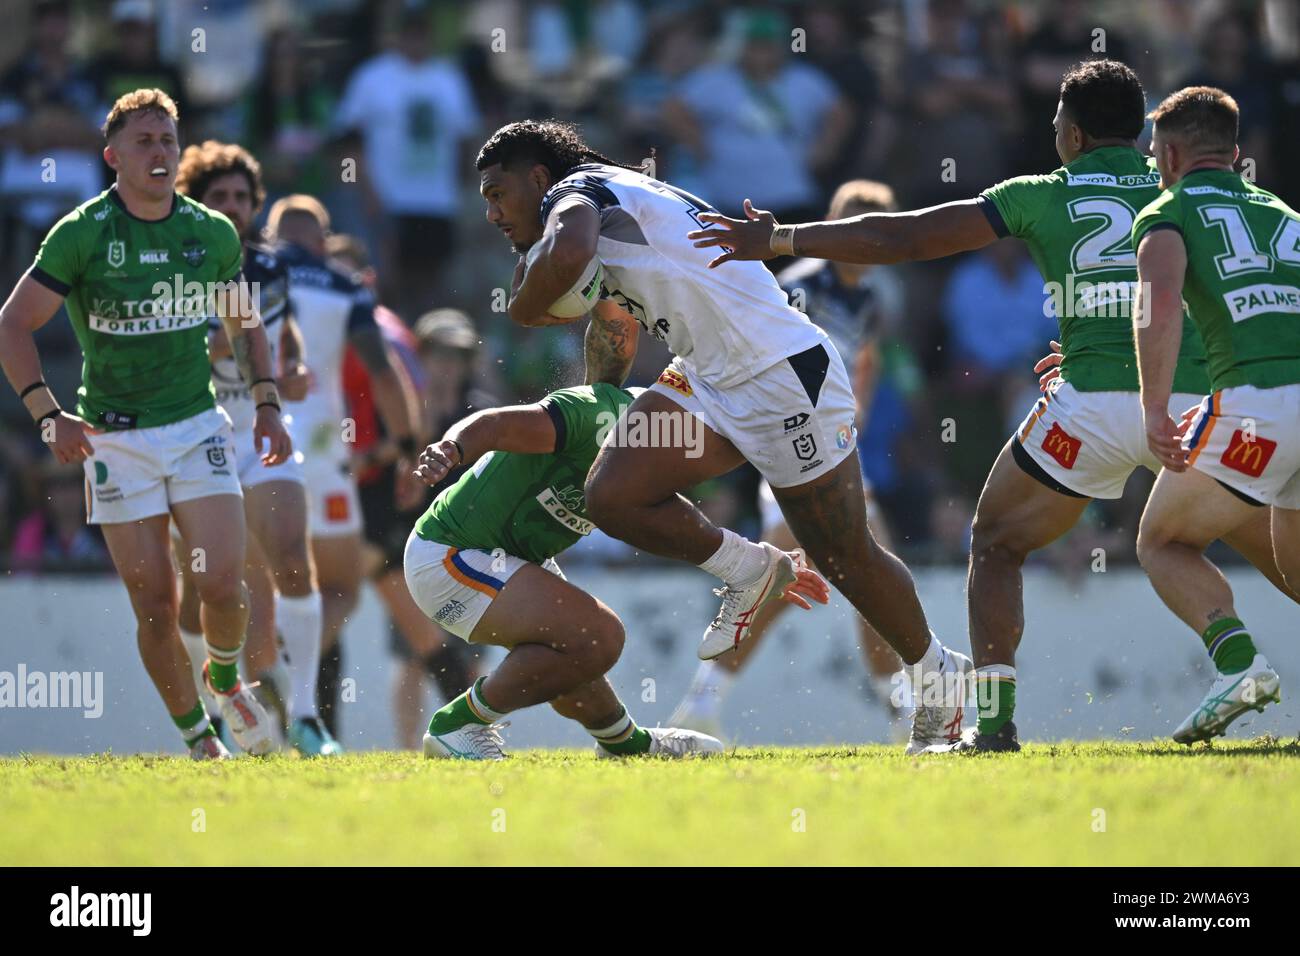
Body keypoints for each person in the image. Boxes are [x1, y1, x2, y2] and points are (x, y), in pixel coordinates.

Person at [687, 60, 1298, 752]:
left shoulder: (1043, 192)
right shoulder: (1194, 195)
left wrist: (782, 238)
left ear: (1069, 133)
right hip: (1200, 404)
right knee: (1273, 544)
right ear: (1144, 137)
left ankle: (997, 723)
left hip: (1090, 412)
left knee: (998, 541)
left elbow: (905, 237)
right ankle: (1234, 657)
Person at [482, 119, 973, 754]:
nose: (492, 212)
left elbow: (569, 256)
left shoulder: (575, 193)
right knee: (613, 494)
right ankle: (751, 570)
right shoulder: (614, 202)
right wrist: (602, 403)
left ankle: (938, 675)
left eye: (498, 193)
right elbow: (614, 323)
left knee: (846, 554)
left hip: (781, 375)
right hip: (707, 377)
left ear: (538, 178)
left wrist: (522, 302)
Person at [0, 88, 289, 759]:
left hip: (196, 429)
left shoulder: (213, 233)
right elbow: (13, 324)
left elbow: (245, 323)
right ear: (112, 156)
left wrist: (268, 404)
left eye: (167, 140)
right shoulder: (81, 233)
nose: (159, 153)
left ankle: (225, 680)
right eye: (144, 142)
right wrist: (48, 416)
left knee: (221, 582)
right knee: (156, 604)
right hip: (116, 439)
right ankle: (199, 742)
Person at [406, 371, 828, 760]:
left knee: (575, 655)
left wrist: (762, 562)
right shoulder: (600, 414)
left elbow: (681, 530)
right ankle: (457, 724)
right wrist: (451, 447)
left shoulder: (656, 450)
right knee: (598, 636)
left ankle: (627, 744)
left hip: (507, 557)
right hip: (451, 551)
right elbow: (496, 423)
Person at [668, 180, 906, 738]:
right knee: (822, 567)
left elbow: (864, 357)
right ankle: (704, 703)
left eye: (874, 232)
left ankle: (897, 707)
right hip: (787, 438)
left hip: (833, 446)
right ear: (834, 224)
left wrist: (858, 408)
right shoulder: (801, 286)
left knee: (859, 566)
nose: (864, 242)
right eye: (854, 226)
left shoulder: (867, 301)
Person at [1132, 86, 1300, 743]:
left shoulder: (1167, 211)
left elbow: (1160, 301)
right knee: (1294, 571)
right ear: (1234, 153)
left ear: (1171, 154)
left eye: (1154, 152)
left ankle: (1238, 667)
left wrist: (1153, 405)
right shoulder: (1285, 214)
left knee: (1162, 541)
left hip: (1257, 411)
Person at [173, 140, 337, 756]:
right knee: (204, 586)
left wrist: (289, 366)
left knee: (292, 555)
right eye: (220, 197)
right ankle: (213, 712)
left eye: (243, 197)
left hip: (260, 429)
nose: (235, 207)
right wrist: (222, 344)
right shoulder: (178, 265)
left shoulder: (269, 267)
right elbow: (180, 347)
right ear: (196, 202)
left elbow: (284, 327)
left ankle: (306, 716)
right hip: (192, 433)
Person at [266, 195, 423, 737]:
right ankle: (292, 677)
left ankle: (254, 680)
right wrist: (406, 448)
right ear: (323, 238)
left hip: (242, 448)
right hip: (324, 454)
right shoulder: (342, 285)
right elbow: (385, 374)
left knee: (254, 579)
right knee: (335, 589)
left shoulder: (238, 274)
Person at [328, 236, 484, 750]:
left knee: (343, 615)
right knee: (404, 638)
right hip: (378, 515)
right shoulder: (336, 346)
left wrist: (374, 459)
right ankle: (323, 732)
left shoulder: (473, 411)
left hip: (410, 528)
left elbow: (400, 445)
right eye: (437, 355)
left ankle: (314, 733)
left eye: (455, 357)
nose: (445, 366)